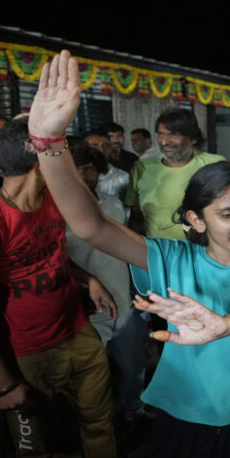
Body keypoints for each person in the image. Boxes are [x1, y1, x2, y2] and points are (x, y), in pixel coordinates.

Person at [27, 50, 230, 458]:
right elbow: (91, 225)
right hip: (181, 425)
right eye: (228, 213)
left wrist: (225, 324)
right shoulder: (170, 258)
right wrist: (49, 141)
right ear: (196, 221)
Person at [0, 118, 132, 458]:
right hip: (27, 351)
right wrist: (2, 384)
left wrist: (87, 278)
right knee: (32, 449)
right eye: (57, 154)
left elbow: (51, 254)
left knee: (99, 422)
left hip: (77, 331)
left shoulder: (54, 201)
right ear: (38, 162)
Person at [66, 145, 148, 421]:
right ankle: (95, 426)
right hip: (89, 308)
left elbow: (125, 249)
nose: (81, 174)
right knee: (90, 378)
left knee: (134, 366)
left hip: (124, 302)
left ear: (97, 171)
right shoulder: (56, 210)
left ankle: (133, 412)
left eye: (88, 168)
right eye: (75, 168)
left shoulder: (111, 204)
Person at [125, 108, 224, 239]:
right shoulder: (142, 168)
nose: (164, 141)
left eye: (173, 134)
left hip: (203, 254)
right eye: (160, 134)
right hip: (159, 253)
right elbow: (136, 217)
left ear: (193, 138)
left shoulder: (214, 165)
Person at [83, 129, 130, 200]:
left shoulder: (124, 178)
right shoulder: (76, 177)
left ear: (111, 148)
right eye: (95, 145)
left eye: (105, 145)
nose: (101, 150)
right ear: (84, 148)